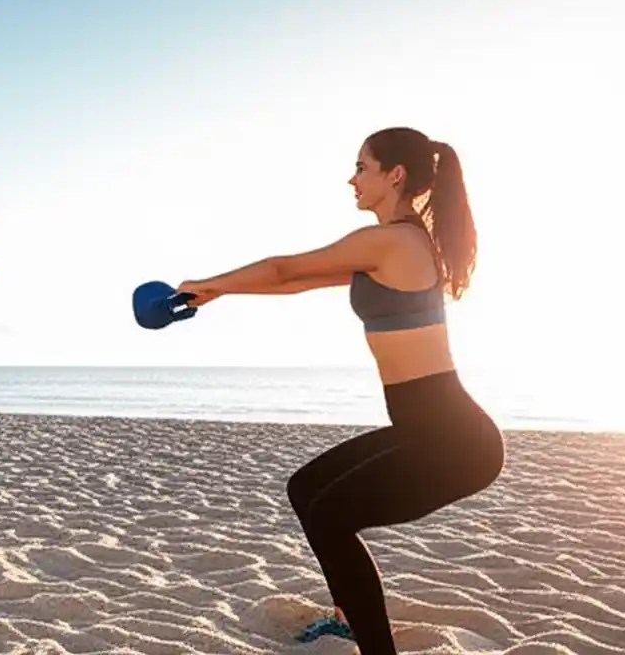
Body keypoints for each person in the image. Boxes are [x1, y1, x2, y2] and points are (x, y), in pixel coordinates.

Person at [175, 127, 505, 654]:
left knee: (332, 515)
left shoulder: (393, 240)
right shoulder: (392, 242)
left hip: (454, 440)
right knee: (307, 490)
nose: (352, 179)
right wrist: (217, 292)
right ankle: (348, 618)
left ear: (394, 175)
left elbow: (287, 266)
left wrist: (209, 280)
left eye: (362, 167)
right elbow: (294, 280)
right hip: (425, 429)